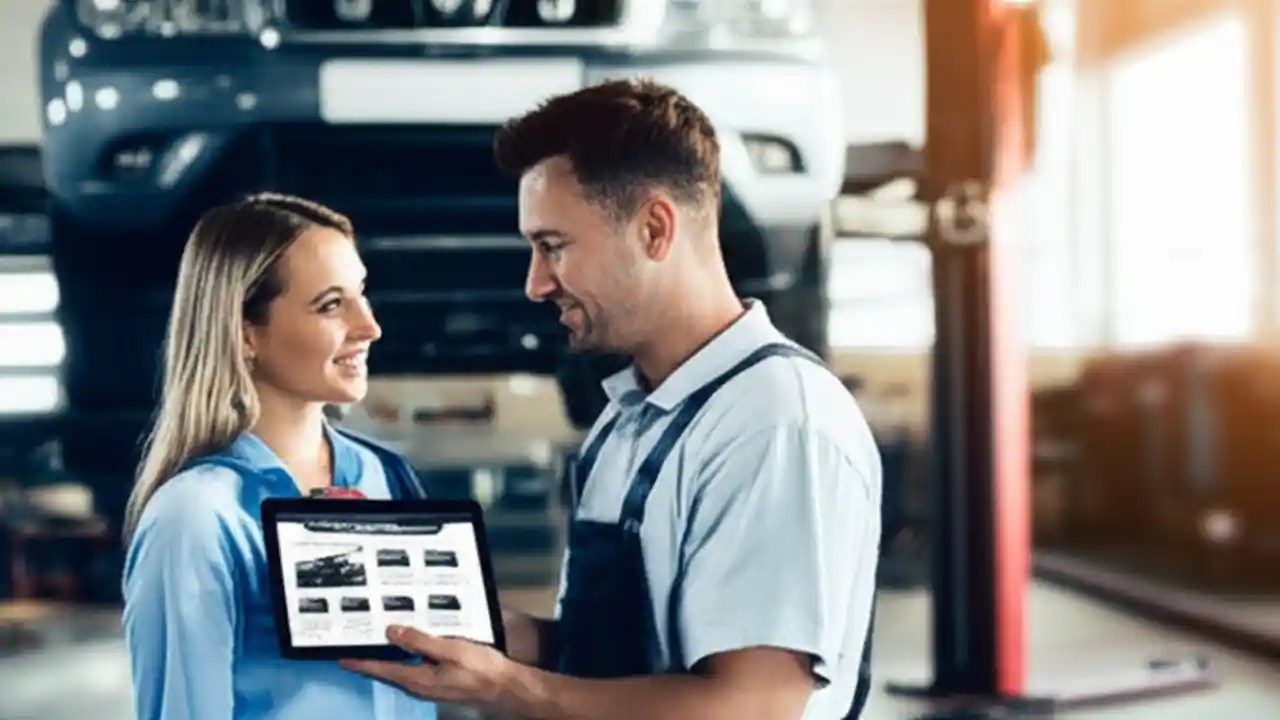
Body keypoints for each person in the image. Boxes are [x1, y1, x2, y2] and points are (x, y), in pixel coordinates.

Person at [343, 80, 882, 719]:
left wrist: (503, 686)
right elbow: (605, 659)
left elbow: (752, 706)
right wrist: (452, 623)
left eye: (553, 247)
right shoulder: (630, 419)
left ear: (655, 229)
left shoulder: (774, 422)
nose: (536, 283)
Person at [121, 193, 437, 720]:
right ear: (246, 333)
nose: (369, 327)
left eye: (362, 295)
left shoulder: (384, 476)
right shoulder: (196, 517)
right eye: (331, 305)